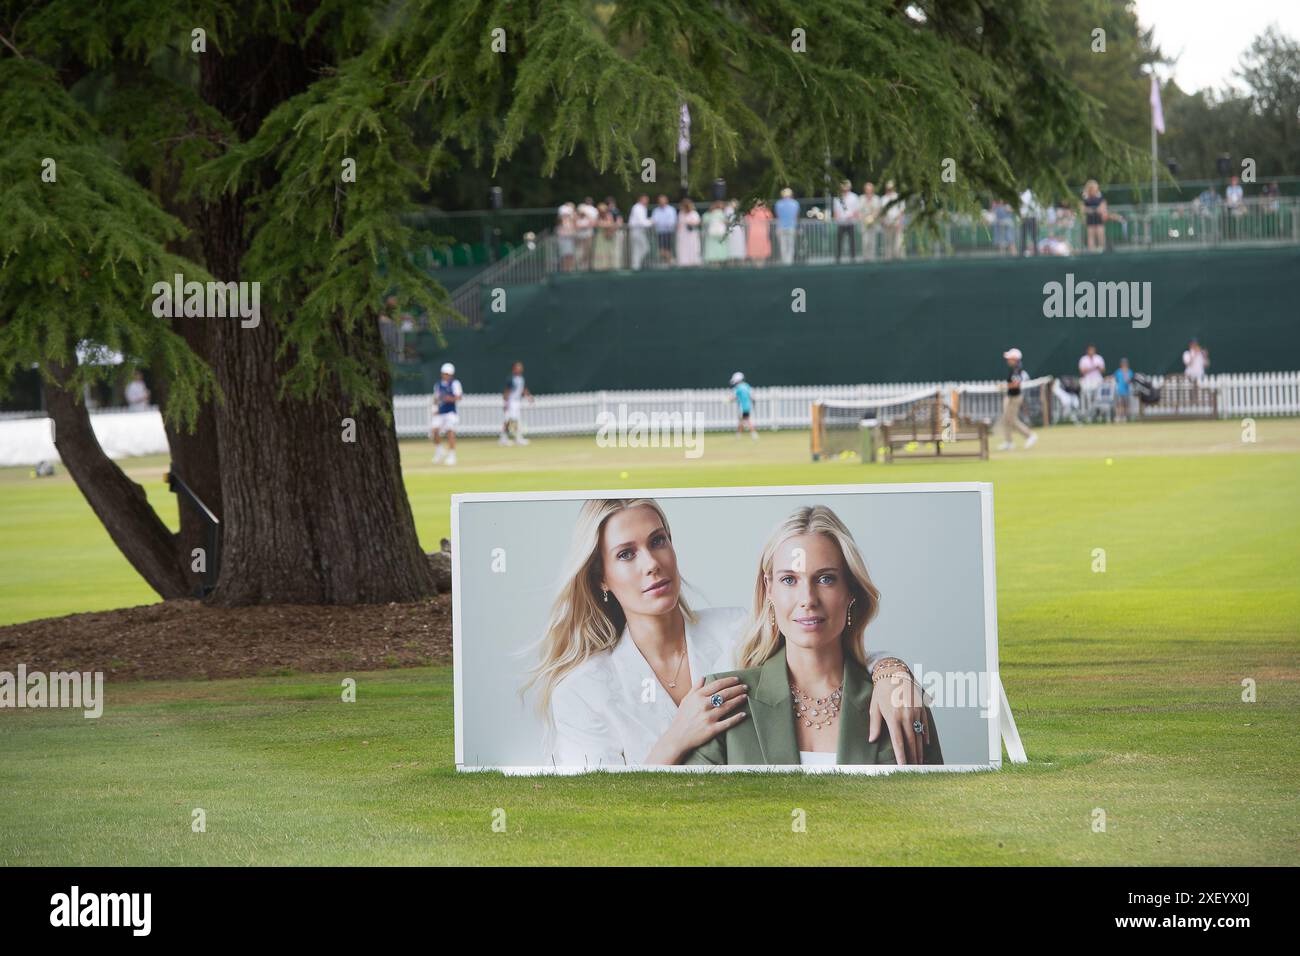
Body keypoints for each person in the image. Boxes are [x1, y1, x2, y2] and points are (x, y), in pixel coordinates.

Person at [527, 499, 924, 767]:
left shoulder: (737, 629)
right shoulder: (581, 693)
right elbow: (597, 819)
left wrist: (892, 672)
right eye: (626, 554)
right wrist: (673, 740)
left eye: (658, 541)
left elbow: (820, 646)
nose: (651, 563)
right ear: (602, 578)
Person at [686, 505, 942, 767]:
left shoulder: (901, 698)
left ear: (850, 589)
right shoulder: (723, 701)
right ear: (769, 588)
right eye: (789, 580)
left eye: (825, 579)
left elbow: (932, 806)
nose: (807, 599)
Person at [999, 348, 1037, 450]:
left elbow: (1016, 385)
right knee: (1006, 419)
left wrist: (1004, 386)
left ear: (1015, 359)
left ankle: (1030, 436)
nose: (1008, 360)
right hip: (1010, 396)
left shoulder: (1017, 369)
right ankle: (1008, 442)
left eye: (1010, 358)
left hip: (1015, 397)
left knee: (1011, 419)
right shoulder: (1013, 368)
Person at [431, 362, 463, 466]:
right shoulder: (438, 385)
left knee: (450, 432)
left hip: (450, 412)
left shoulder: (455, 384)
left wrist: (450, 398)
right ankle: (439, 451)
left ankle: (452, 455)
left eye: (448, 374)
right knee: (434, 431)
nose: (446, 375)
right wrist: (435, 408)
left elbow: (459, 397)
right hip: (440, 412)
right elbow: (436, 399)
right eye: (444, 373)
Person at [500, 360, 532, 446]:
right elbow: (507, 391)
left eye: (521, 367)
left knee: (516, 420)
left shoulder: (521, 378)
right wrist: (506, 403)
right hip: (511, 402)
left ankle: (517, 438)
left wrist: (528, 396)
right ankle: (504, 438)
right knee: (509, 420)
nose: (520, 369)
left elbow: (523, 389)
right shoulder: (511, 378)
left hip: (517, 401)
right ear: (514, 368)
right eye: (518, 367)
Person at [833, 179, 859, 262]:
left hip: (851, 222)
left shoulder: (854, 197)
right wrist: (837, 218)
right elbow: (836, 211)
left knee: (852, 241)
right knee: (839, 241)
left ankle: (853, 257)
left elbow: (857, 210)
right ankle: (838, 258)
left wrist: (852, 215)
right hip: (841, 223)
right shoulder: (837, 197)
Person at [774, 187, 800, 265]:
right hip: (791, 227)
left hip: (781, 227)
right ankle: (789, 261)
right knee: (791, 245)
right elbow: (795, 216)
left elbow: (778, 216)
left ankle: (784, 261)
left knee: (783, 246)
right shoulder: (795, 203)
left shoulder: (778, 203)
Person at [1078, 344, 1105, 413]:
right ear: (1088, 351)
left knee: (1098, 397)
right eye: (1090, 350)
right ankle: (1087, 411)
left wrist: (1098, 368)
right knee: (1087, 396)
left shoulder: (1099, 358)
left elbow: (1103, 370)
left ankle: (1098, 411)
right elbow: (1082, 371)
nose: (1091, 352)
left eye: (1093, 350)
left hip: (1097, 381)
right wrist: (1092, 368)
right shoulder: (1083, 359)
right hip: (1087, 381)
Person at [1080, 180, 1106, 253]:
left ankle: (1102, 249)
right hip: (1090, 217)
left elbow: (1103, 205)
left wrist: (1100, 210)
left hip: (1098, 217)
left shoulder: (1099, 195)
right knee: (1090, 234)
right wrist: (1089, 210)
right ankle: (1091, 250)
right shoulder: (1085, 196)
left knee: (1100, 233)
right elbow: (1082, 208)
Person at [730, 371, 757, 440]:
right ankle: (739, 435)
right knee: (743, 420)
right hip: (748, 406)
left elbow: (734, 397)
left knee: (745, 420)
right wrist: (753, 403)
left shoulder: (738, 388)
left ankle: (753, 434)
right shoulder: (746, 386)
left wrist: (727, 400)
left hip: (742, 407)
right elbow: (752, 396)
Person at [627, 194, 652, 270]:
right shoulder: (638, 207)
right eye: (645, 200)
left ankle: (636, 265)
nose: (647, 201)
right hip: (636, 231)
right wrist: (651, 222)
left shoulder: (640, 207)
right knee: (644, 248)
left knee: (640, 249)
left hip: (639, 232)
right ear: (641, 199)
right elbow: (642, 222)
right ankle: (635, 265)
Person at [881, 181, 905, 259]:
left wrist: (900, 222)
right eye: (888, 188)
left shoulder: (898, 197)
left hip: (897, 223)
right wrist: (884, 222)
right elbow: (882, 212)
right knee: (888, 244)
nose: (890, 190)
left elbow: (902, 211)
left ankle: (900, 259)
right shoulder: (883, 198)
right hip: (887, 224)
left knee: (899, 243)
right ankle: (888, 260)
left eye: (891, 188)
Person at [675, 198, 702, 267]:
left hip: (692, 233)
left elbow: (698, 222)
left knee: (693, 246)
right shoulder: (681, 214)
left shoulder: (694, 213)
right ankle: (684, 262)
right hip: (683, 234)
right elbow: (679, 223)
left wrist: (691, 223)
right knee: (683, 247)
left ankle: (693, 261)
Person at [651, 194, 677, 264]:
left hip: (668, 232)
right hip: (659, 232)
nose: (661, 202)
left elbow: (671, 222)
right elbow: (654, 220)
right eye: (660, 201)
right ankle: (670, 261)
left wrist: (661, 223)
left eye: (663, 200)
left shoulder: (671, 209)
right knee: (661, 250)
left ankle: (670, 261)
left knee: (667, 249)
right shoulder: (656, 210)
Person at [701, 200, 729, 266]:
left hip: (712, 233)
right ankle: (718, 261)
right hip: (718, 233)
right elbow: (726, 221)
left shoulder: (708, 214)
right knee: (719, 246)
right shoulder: (720, 213)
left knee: (712, 247)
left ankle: (714, 261)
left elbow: (703, 222)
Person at [745, 200, 773, 265]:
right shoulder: (765, 211)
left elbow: (745, 218)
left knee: (755, 248)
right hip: (762, 233)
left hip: (754, 233)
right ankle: (760, 264)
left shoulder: (752, 211)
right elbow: (771, 218)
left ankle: (756, 264)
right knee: (761, 249)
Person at [860, 182, 882, 260]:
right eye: (867, 189)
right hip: (864, 224)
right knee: (865, 242)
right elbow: (859, 211)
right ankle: (865, 259)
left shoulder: (876, 198)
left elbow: (878, 210)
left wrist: (872, 217)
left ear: (872, 190)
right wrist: (865, 219)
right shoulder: (861, 198)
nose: (868, 191)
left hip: (874, 224)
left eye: (870, 189)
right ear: (865, 190)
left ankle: (872, 259)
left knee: (873, 242)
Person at [1018, 188, 1040, 257]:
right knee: (1023, 235)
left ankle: (1035, 251)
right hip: (1024, 217)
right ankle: (1022, 251)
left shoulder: (1032, 194)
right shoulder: (1020, 193)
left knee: (1033, 236)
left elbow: (1036, 206)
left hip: (1031, 217)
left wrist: (1037, 217)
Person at [1114, 357, 1136, 422]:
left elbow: (1130, 380)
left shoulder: (1129, 371)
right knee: (1119, 404)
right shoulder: (1118, 371)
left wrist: (1127, 380)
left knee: (1125, 405)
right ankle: (1118, 417)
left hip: (1126, 391)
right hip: (1119, 391)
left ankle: (1125, 417)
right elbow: (1117, 380)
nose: (1124, 364)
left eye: (1125, 363)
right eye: (1123, 363)